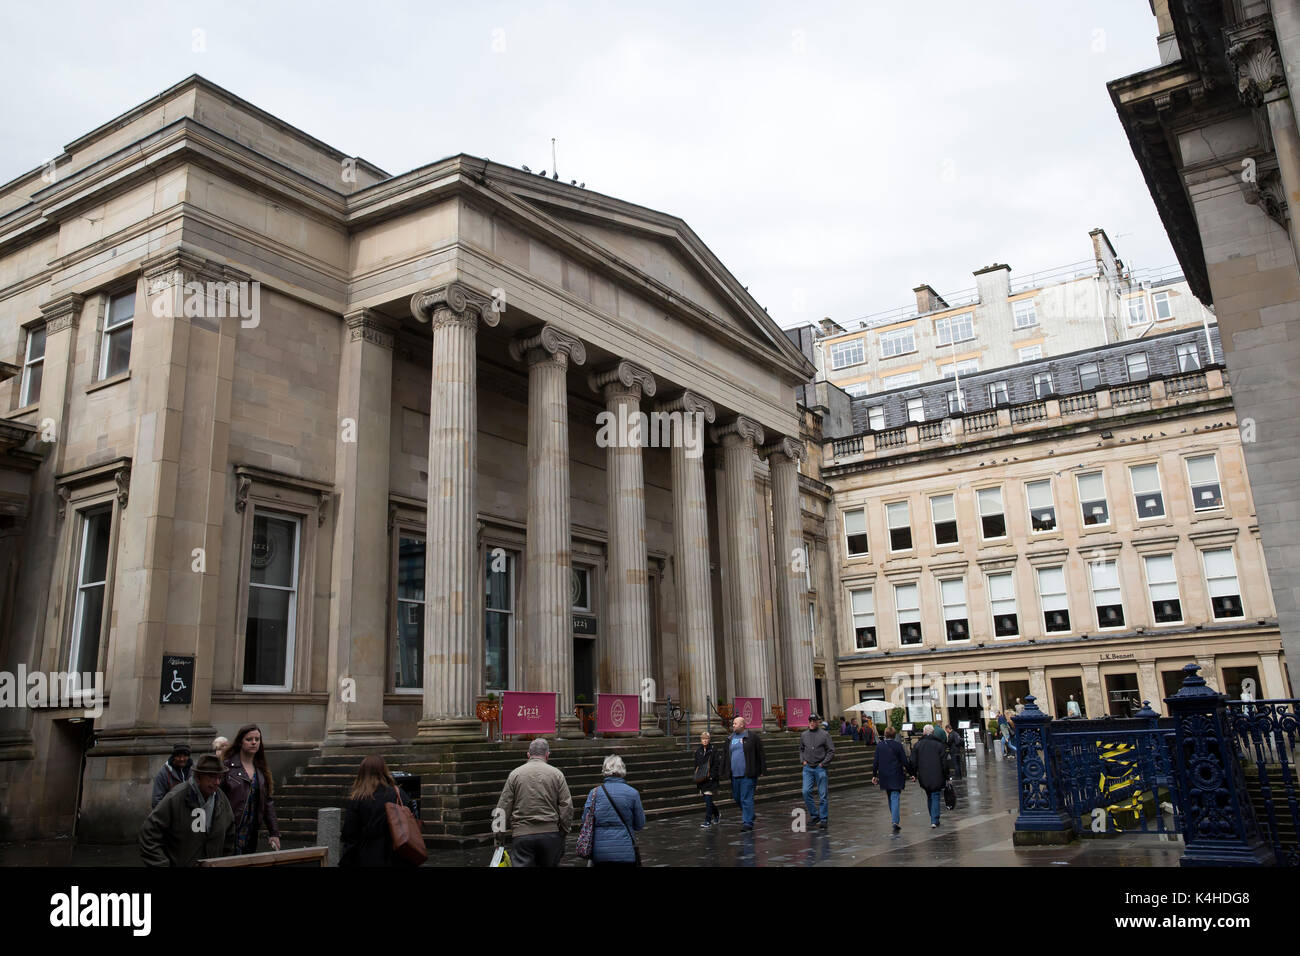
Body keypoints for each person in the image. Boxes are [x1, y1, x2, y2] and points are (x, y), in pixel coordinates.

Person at [139, 754, 234, 866]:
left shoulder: (221, 799)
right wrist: (162, 864)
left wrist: (224, 862)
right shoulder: (176, 797)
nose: (217, 782)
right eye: (212, 777)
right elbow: (149, 834)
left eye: (219, 777)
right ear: (198, 777)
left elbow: (230, 835)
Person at [495, 738, 573, 867]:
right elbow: (567, 806)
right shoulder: (557, 774)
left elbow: (502, 808)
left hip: (522, 835)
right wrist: (563, 831)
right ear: (547, 755)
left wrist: (498, 839)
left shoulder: (515, 775)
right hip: (550, 835)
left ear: (528, 755)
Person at [340, 755, 419, 867]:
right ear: (384, 770)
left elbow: (350, 834)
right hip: (398, 855)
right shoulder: (399, 794)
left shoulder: (358, 799)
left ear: (362, 773)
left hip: (367, 856)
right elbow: (413, 820)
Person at [220, 724, 280, 854]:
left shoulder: (261, 771)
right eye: (249, 739)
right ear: (240, 742)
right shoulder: (227, 767)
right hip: (229, 830)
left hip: (251, 831)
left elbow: (268, 802)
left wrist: (274, 833)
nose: (254, 743)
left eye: (257, 739)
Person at [581, 754, 645, 866]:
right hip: (625, 852)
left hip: (600, 853)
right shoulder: (633, 793)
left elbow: (585, 820)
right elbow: (640, 824)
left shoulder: (594, 793)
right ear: (622, 769)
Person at [727, 715, 767, 832]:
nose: (733, 725)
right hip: (734, 774)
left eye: (735, 723)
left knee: (746, 798)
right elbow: (726, 755)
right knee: (737, 797)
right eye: (733, 723)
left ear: (742, 725)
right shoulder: (730, 738)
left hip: (748, 774)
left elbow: (760, 754)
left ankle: (747, 822)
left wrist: (762, 769)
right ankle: (749, 814)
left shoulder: (752, 737)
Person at [910, 724, 951, 828]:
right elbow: (944, 763)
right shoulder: (939, 745)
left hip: (924, 775)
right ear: (933, 732)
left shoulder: (918, 745)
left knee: (929, 795)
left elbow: (913, 761)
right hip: (937, 774)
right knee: (935, 795)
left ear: (924, 732)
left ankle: (932, 817)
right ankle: (934, 819)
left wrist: (913, 774)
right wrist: (947, 776)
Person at [800, 713, 835, 829]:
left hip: (820, 768)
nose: (812, 723)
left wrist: (823, 764)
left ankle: (823, 818)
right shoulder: (804, 735)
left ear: (818, 722)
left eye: (814, 721)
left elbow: (831, 750)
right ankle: (815, 815)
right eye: (810, 720)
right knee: (805, 792)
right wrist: (802, 760)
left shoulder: (825, 735)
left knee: (823, 794)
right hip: (808, 768)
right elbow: (801, 749)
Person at [871, 726, 909, 833]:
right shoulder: (898, 746)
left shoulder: (880, 746)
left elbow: (875, 762)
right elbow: (904, 761)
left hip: (884, 775)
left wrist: (874, 775)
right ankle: (895, 821)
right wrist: (911, 773)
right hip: (896, 774)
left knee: (890, 796)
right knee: (895, 796)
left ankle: (894, 818)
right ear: (894, 735)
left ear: (885, 734)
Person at [693, 731, 724, 827]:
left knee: (708, 800)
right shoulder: (698, 751)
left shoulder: (713, 750)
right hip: (702, 779)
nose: (705, 740)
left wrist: (712, 776)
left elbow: (716, 764)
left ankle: (708, 820)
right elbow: (696, 765)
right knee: (708, 801)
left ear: (709, 740)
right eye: (703, 739)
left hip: (710, 779)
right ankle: (717, 813)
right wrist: (696, 777)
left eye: (706, 739)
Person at [150, 743, 192, 808]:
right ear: (173, 757)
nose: (182, 759)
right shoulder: (163, 774)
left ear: (188, 757)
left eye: (185, 756)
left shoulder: (193, 771)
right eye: (178, 756)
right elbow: (156, 801)